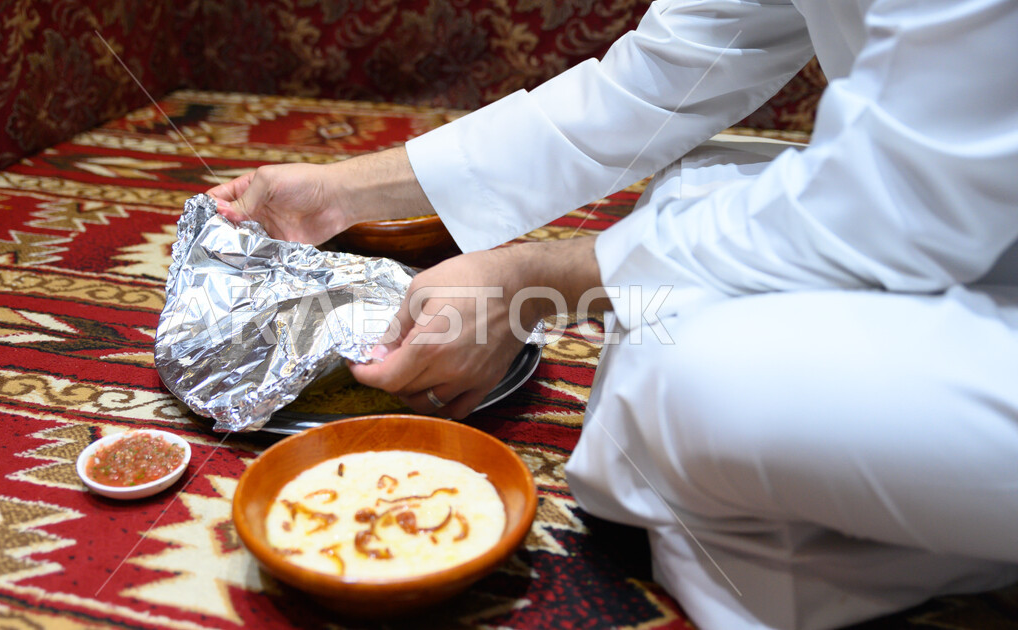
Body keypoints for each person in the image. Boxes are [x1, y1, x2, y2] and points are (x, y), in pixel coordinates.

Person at [206, 0, 1018, 627]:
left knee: (698, 383)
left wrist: (537, 281)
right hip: (961, 213)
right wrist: (337, 195)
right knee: (699, 184)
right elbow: (664, 77)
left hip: (947, 220)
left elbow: (905, 200)